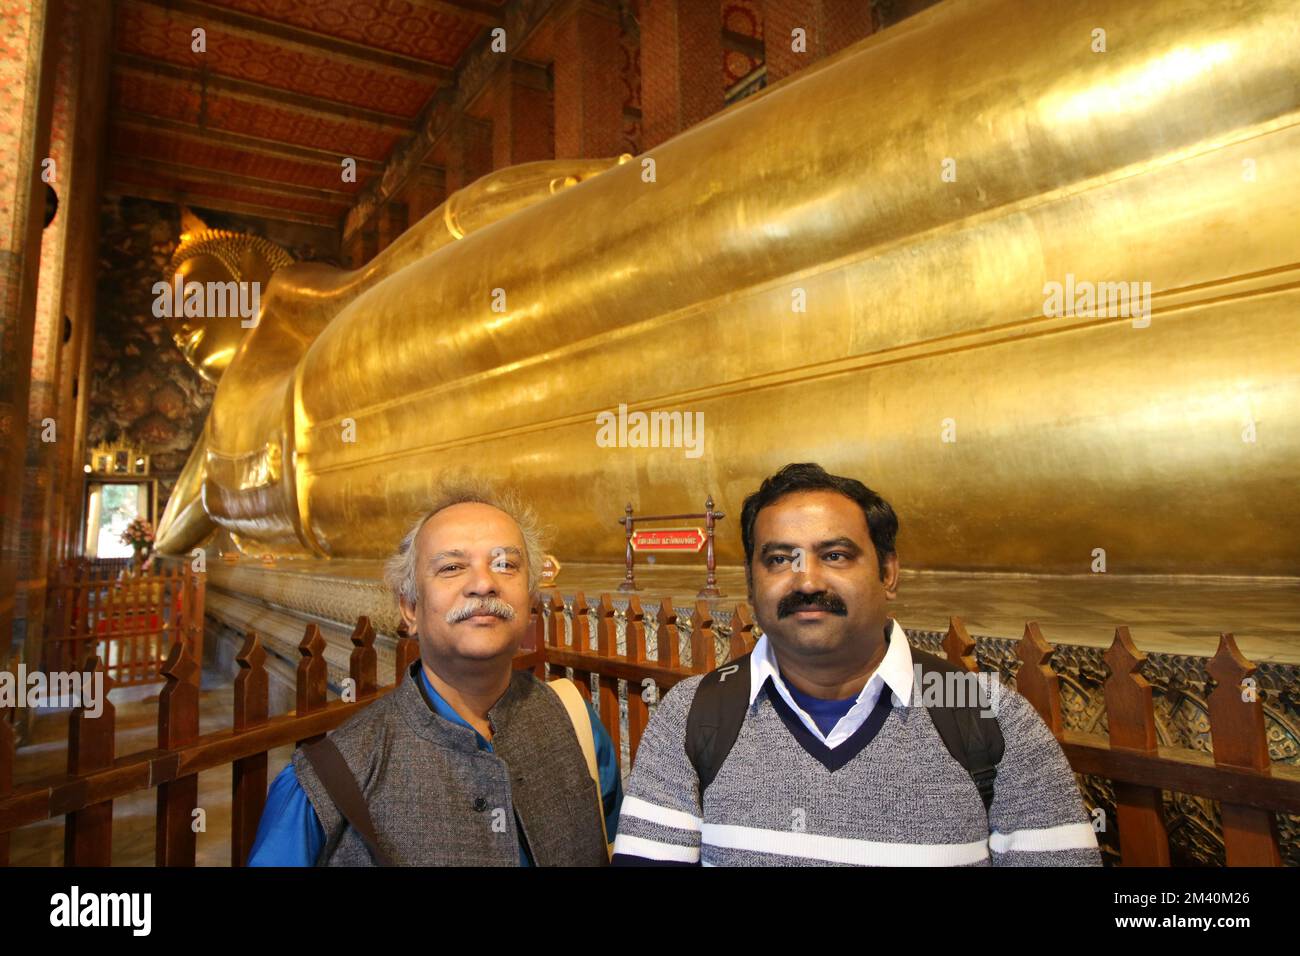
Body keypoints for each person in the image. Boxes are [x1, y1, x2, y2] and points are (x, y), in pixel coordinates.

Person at [612, 462, 1100, 866]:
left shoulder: (990, 719)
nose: (806, 581)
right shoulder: (693, 717)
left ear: (888, 573)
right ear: (750, 581)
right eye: (779, 560)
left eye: (836, 555)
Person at [249, 482, 620, 866]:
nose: (483, 584)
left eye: (506, 564)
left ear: (530, 601)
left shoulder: (575, 724)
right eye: (452, 567)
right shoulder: (327, 782)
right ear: (410, 608)